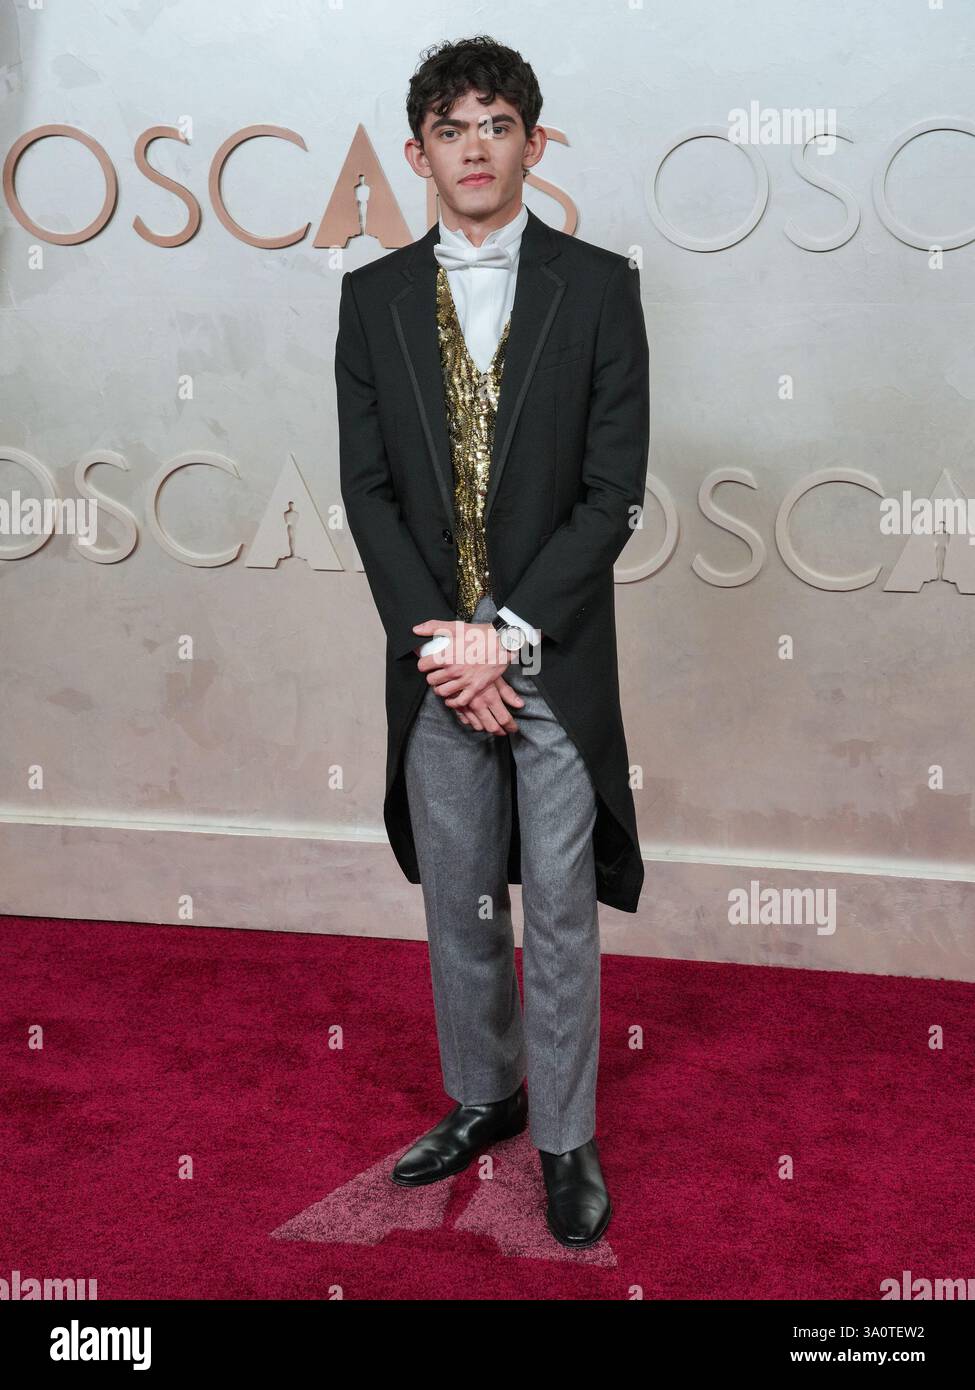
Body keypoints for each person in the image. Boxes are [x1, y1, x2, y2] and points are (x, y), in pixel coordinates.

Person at [336, 35, 649, 1248]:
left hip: (551, 657)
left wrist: (502, 639)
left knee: (560, 906)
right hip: (434, 671)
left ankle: (566, 1135)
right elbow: (368, 493)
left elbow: (611, 491)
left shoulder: (602, 285)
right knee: (463, 902)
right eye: (453, 128)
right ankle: (488, 1097)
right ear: (421, 152)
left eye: (498, 124)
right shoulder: (369, 300)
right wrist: (445, 651)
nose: (477, 146)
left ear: (533, 142)